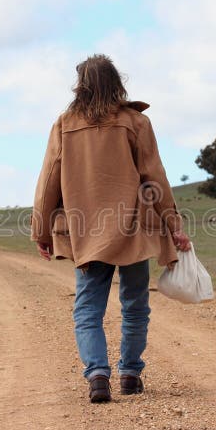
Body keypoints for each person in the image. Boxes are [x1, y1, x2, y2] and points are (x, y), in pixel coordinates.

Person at [31, 54, 191, 403]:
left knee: (87, 309)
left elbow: (48, 182)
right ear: (117, 82)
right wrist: (174, 226)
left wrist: (41, 231)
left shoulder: (64, 124)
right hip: (134, 228)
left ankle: (98, 376)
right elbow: (155, 177)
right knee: (135, 304)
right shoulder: (136, 122)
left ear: (80, 85)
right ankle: (130, 373)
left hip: (87, 231)